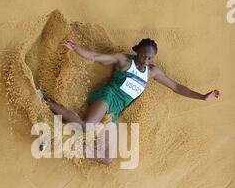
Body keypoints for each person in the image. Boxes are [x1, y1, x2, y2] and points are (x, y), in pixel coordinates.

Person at [36, 38, 220, 165]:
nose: (145, 60)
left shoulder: (152, 72)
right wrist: (76, 49)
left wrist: (203, 97)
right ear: (136, 51)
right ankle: (44, 99)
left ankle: (67, 147)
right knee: (87, 126)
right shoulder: (124, 60)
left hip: (114, 112)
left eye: (149, 58)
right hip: (106, 97)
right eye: (143, 55)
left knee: (107, 158)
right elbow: (96, 57)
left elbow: (177, 87)